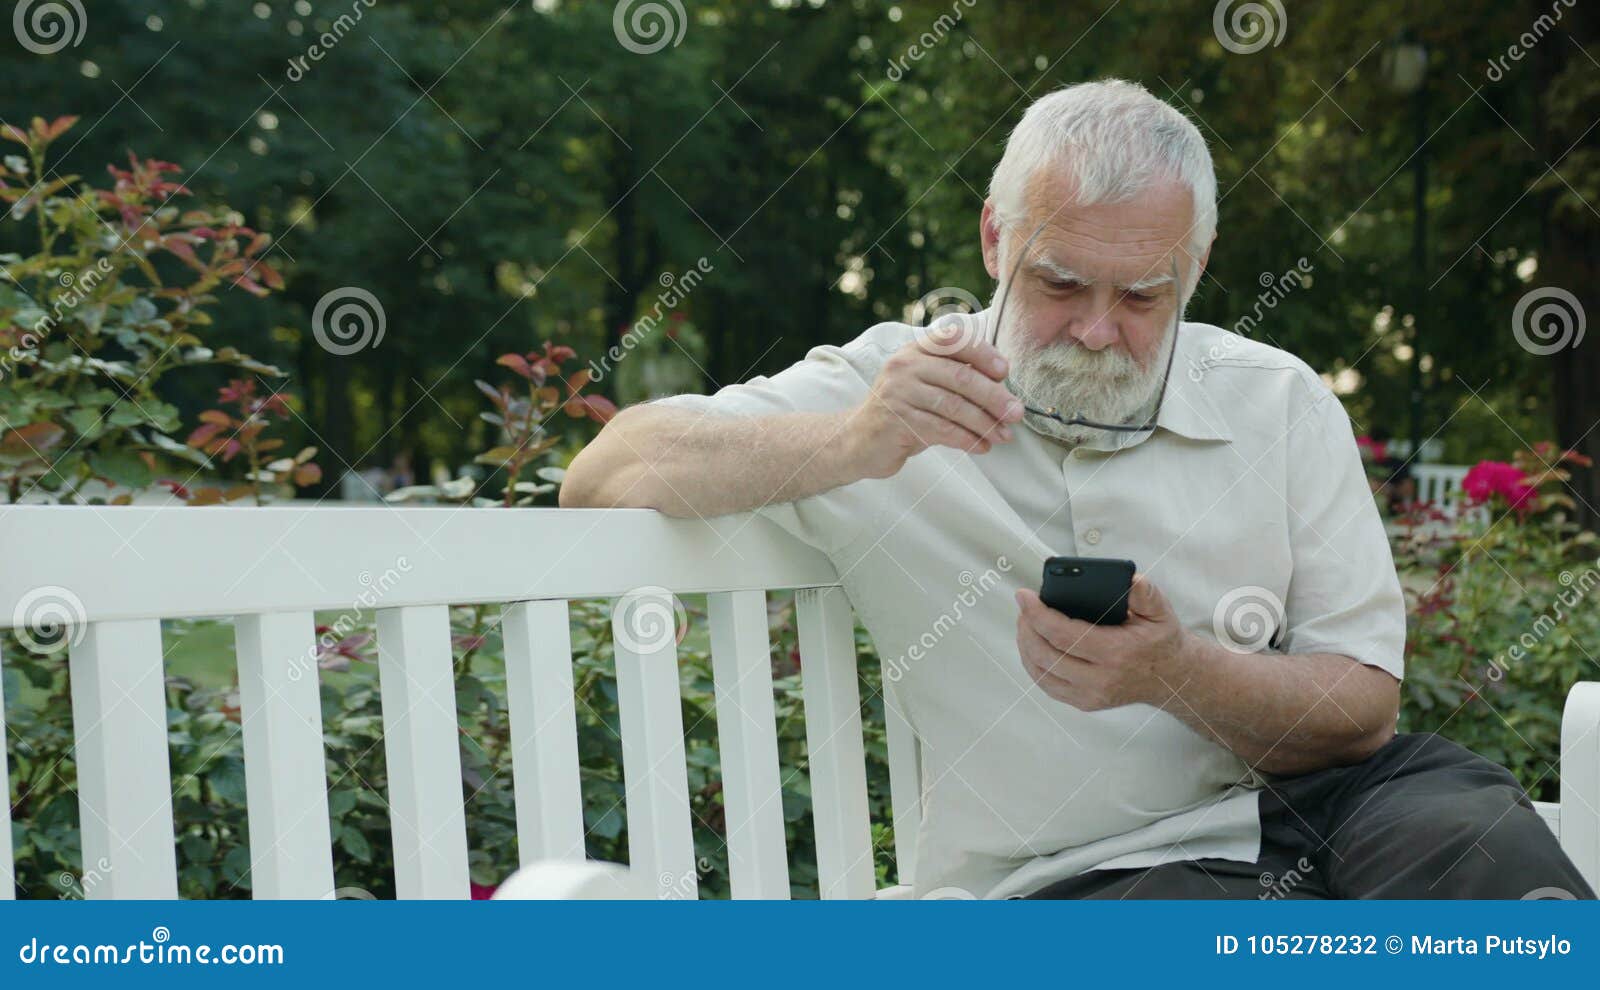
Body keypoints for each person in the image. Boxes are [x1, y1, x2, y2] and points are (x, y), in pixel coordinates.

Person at [560, 80, 1594, 900]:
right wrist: (853, 440)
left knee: (1488, 866)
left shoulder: (1277, 403)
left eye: (1142, 295)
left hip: (1346, 800)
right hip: (1090, 871)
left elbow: (1361, 713)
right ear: (994, 241)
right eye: (1059, 283)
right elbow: (602, 475)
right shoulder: (890, 387)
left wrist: (1176, 670)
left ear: (1195, 267)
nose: (1097, 329)